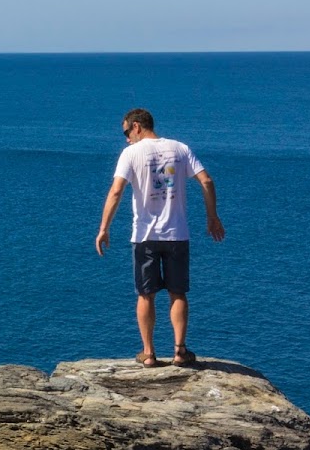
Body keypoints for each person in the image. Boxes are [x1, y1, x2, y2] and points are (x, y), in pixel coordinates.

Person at [96, 108, 224, 368]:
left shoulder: (130, 154)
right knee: (178, 293)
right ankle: (180, 352)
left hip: (145, 236)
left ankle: (149, 353)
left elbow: (116, 191)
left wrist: (104, 228)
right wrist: (212, 217)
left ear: (136, 127)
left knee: (146, 295)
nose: (125, 139)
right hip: (177, 234)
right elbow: (207, 181)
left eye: (125, 132)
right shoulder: (180, 149)